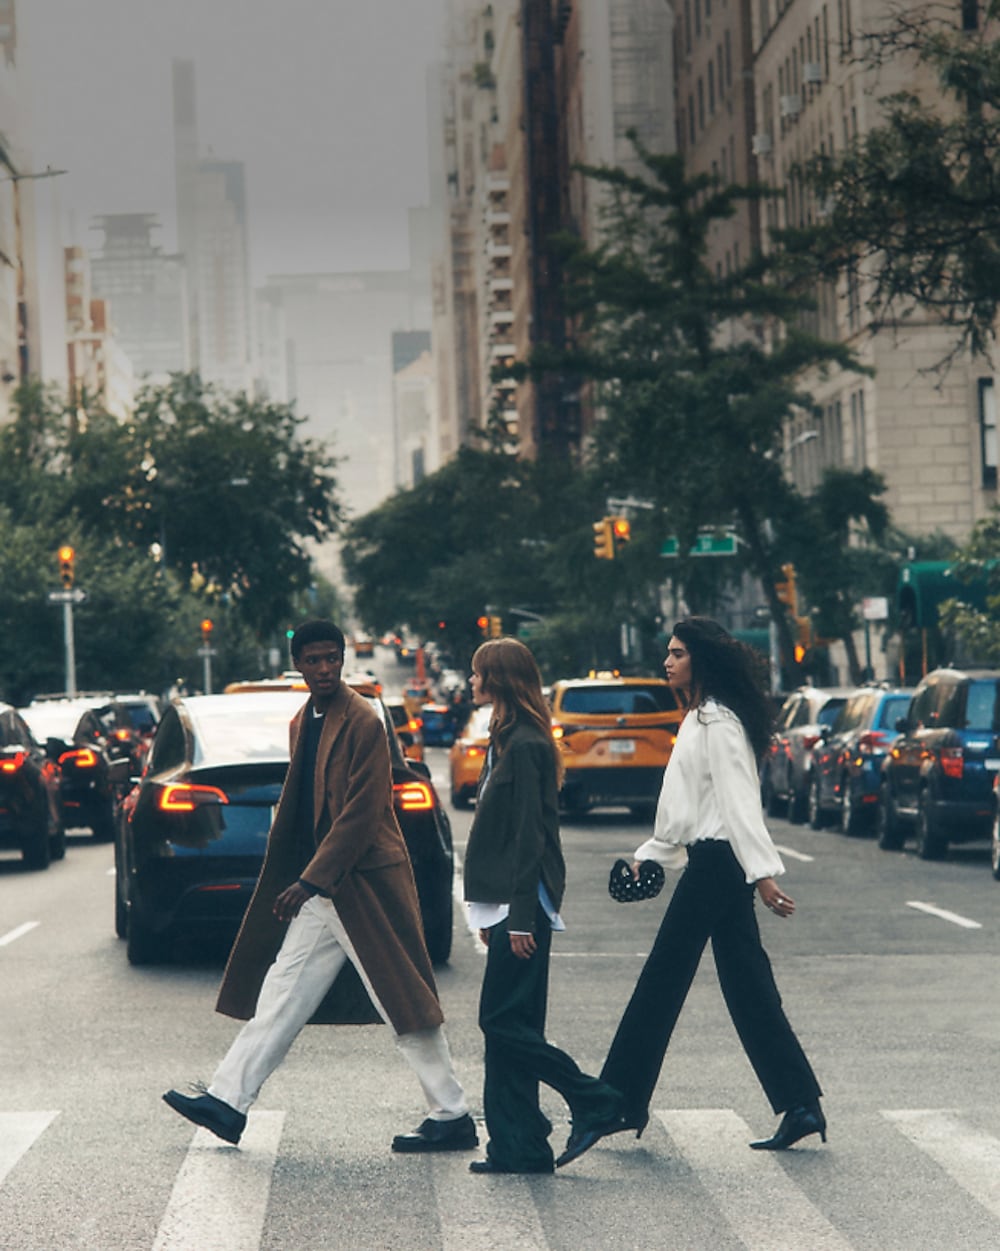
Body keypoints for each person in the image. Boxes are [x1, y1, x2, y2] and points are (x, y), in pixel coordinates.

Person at [163, 619, 476, 1155]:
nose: (325, 668)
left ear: (344, 659)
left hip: (362, 882)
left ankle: (452, 1113)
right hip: (329, 886)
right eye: (315, 660)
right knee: (282, 993)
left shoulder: (364, 720)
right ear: (299, 664)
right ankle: (227, 1100)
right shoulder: (303, 719)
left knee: (400, 997)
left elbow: (360, 813)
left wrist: (309, 880)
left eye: (333, 658)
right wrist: (307, 876)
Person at [557, 617, 824, 1168]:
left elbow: (737, 803)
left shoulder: (719, 722)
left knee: (662, 977)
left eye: (678, 653)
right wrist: (651, 853)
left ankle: (616, 1103)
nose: (668, 662)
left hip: (721, 865)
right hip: (711, 859)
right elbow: (690, 810)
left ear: (700, 659)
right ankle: (800, 1103)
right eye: (669, 654)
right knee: (747, 981)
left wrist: (763, 871)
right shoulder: (698, 720)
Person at [463, 637, 623, 1174]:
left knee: (500, 1023)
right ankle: (519, 1146)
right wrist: (491, 914)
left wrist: (520, 918)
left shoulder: (527, 743)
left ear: (499, 679)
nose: (471, 681)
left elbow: (531, 838)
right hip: (507, 903)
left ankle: (594, 1097)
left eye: (477, 673)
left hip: (524, 904)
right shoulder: (504, 738)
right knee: (514, 1027)